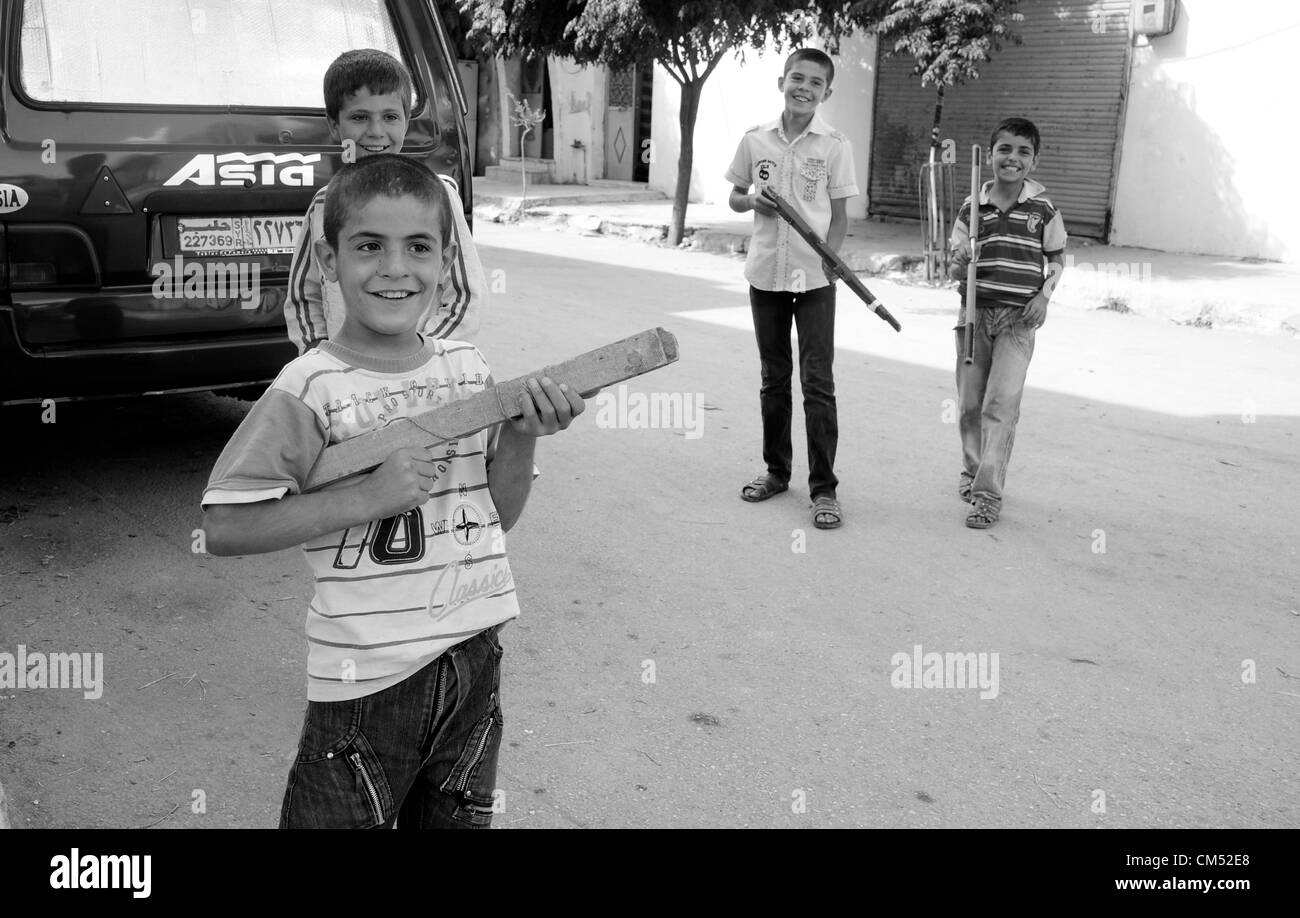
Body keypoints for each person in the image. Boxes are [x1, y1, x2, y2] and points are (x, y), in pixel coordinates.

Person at [201, 155, 584, 828]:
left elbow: (499, 519)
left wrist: (523, 437)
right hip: (365, 685)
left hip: (474, 664)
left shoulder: (469, 371)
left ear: (446, 261)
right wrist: (365, 498)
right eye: (369, 246)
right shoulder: (309, 385)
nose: (395, 269)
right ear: (329, 258)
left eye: (418, 248)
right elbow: (224, 528)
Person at [724, 48, 858, 530]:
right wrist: (753, 202)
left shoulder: (834, 145)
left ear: (827, 92)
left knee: (818, 384)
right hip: (766, 276)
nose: (804, 87)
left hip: (816, 279)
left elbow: (840, 216)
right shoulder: (754, 140)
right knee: (773, 378)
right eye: (797, 78)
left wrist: (832, 261)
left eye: (815, 83)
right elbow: (736, 196)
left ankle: (824, 488)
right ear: (781, 80)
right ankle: (776, 471)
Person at [284, 49, 484, 354]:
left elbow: (466, 297)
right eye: (359, 117)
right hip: (346, 383)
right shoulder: (324, 204)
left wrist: (425, 358)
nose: (376, 131)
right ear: (335, 125)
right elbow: (304, 295)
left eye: (390, 117)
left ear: (405, 122)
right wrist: (323, 359)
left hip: (421, 383)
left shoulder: (438, 196)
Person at [949, 117, 1067, 529]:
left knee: (1000, 406)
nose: (1012, 159)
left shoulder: (1044, 210)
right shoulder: (971, 207)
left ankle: (987, 494)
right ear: (991, 154)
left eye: (1023, 152)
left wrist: (1044, 297)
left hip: (1018, 321)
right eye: (1005, 150)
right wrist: (960, 260)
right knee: (968, 406)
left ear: (1034, 160)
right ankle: (972, 469)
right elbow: (955, 263)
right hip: (974, 316)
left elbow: (1056, 259)